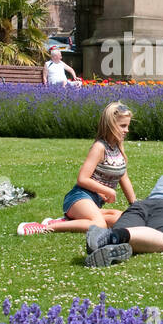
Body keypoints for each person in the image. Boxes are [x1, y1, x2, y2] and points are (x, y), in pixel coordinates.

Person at [17, 101, 136, 235]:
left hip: (94, 203)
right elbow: (82, 179)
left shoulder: (118, 149)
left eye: (128, 126)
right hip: (79, 198)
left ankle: (67, 221)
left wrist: (135, 205)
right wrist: (108, 191)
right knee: (100, 224)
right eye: (123, 126)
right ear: (111, 125)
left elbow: (123, 177)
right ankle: (45, 227)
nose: (127, 130)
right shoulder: (99, 147)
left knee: (121, 219)